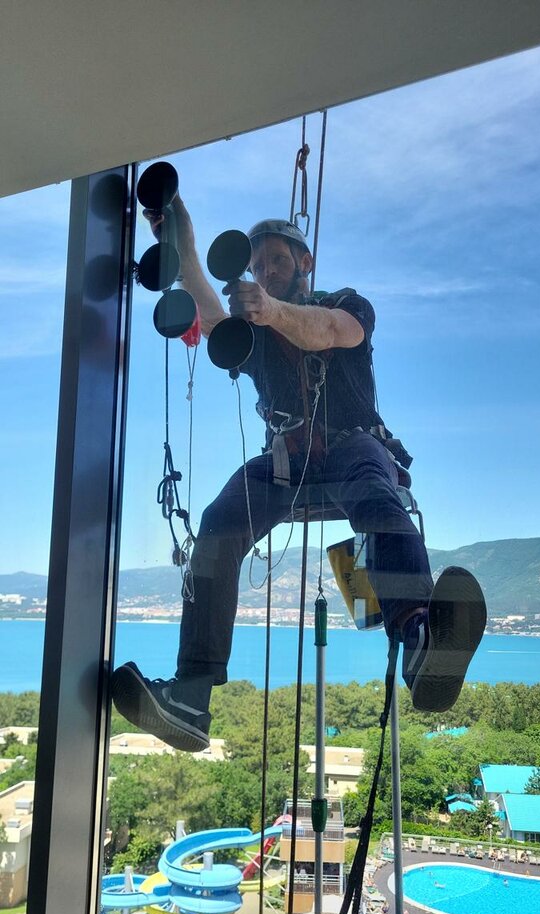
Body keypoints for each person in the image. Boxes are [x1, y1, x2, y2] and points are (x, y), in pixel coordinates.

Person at [112, 194, 487, 752]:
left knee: (376, 500)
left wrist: (268, 309)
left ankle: (419, 637)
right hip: (287, 461)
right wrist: (183, 243)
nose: (265, 272)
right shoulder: (254, 330)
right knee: (218, 524)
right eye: (257, 266)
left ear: (305, 262)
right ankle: (192, 693)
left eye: (277, 262)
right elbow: (213, 318)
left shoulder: (348, 303)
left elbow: (330, 332)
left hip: (353, 446)